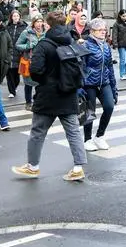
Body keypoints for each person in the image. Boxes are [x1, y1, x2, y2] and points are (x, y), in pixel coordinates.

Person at [11, 10, 90, 181]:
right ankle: (78, 168)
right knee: (73, 132)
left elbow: (35, 70)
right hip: (68, 93)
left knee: (38, 131)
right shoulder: (71, 42)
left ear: (48, 25)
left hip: (47, 96)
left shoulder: (44, 45)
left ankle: (33, 167)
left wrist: (45, 81)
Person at [80, 18, 118, 151]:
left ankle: (99, 136)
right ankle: (87, 139)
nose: (103, 32)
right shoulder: (85, 45)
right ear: (92, 31)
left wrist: (114, 88)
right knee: (89, 112)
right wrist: (80, 86)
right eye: (100, 30)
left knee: (109, 107)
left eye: (104, 30)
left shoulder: (106, 46)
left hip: (104, 82)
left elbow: (109, 67)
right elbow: (81, 67)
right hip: (89, 84)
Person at [15, 17, 45, 110]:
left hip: (41, 62)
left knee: (40, 84)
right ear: (33, 23)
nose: (39, 24)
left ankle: (38, 102)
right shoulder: (26, 32)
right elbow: (17, 45)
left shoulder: (45, 33)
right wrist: (28, 46)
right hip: (28, 61)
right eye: (37, 22)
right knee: (28, 83)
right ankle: (28, 103)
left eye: (41, 21)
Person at [4, 9, 26, 99]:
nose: (16, 17)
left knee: (16, 73)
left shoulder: (24, 27)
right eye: (14, 16)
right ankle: (11, 91)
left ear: (20, 17)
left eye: (17, 16)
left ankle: (15, 86)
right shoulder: (7, 27)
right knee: (9, 72)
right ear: (11, 17)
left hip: (19, 53)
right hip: (9, 52)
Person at [111, 10, 126, 80]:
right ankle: (122, 74)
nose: (125, 17)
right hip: (121, 44)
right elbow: (114, 35)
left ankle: (124, 70)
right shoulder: (116, 24)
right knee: (122, 59)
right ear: (120, 15)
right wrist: (115, 44)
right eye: (123, 16)